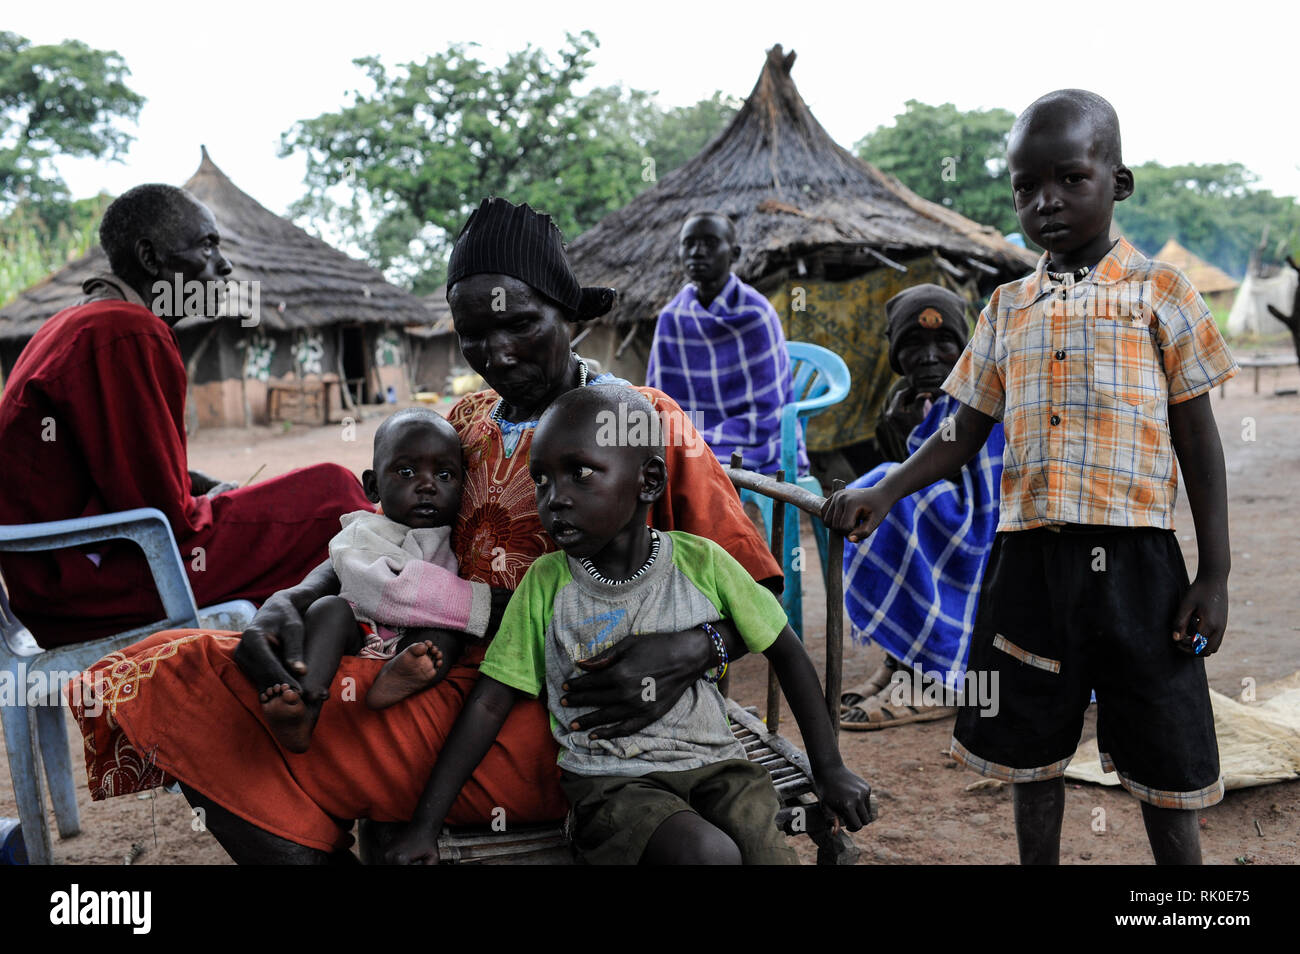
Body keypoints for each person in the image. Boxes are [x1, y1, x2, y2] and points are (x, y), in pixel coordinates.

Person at [68, 197, 782, 863]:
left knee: (191, 692)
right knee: (194, 671)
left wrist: (696, 645)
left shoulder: (639, 419)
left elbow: (751, 589)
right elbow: (382, 532)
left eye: (520, 324)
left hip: (566, 716)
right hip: (430, 676)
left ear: (568, 312)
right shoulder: (464, 424)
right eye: (474, 335)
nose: (497, 353)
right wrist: (298, 592)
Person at [823, 90, 1237, 865]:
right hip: (1030, 564)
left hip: (1139, 567)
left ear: (1118, 182)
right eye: (1025, 186)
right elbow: (963, 427)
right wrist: (886, 488)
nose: (1045, 200)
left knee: (1161, 739)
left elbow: (1199, 440)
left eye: (1069, 178)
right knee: (1028, 737)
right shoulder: (1007, 308)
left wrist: (1213, 570)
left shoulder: (1162, 294)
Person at [383, 385, 872, 865]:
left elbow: (785, 650)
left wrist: (829, 770)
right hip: (611, 780)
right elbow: (490, 701)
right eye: (542, 480)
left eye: (580, 473)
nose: (554, 498)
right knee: (708, 853)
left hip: (720, 767)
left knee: (766, 854)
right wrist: (425, 825)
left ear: (649, 481)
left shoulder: (702, 563)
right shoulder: (547, 583)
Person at [0, 184, 371, 646]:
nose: (224, 263)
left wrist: (214, 488)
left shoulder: (74, 324)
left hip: (52, 580)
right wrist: (215, 501)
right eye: (206, 245)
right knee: (332, 497)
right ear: (152, 259)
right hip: (91, 586)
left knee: (295, 502)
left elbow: (131, 476)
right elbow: (160, 510)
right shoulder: (127, 331)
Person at [257, 408, 489, 752]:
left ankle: (398, 676)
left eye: (444, 475)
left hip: (411, 645)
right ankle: (305, 706)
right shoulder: (360, 531)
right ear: (373, 486)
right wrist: (476, 603)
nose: (427, 485)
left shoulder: (455, 537)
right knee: (328, 609)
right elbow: (382, 588)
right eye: (407, 472)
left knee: (446, 637)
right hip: (358, 631)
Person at [838, 284, 1006, 729]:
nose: (930, 356)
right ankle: (904, 656)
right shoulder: (905, 405)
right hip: (949, 512)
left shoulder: (980, 390)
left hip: (986, 521)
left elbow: (980, 482)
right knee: (883, 498)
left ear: (964, 346)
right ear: (896, 355)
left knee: (886, 493)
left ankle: (935, 678)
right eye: (913, 345)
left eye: (944, 342)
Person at [646, 211, 807, 476]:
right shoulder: (672, 317)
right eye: (689, 243)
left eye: (710, 243)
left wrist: (702, 439)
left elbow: (766, 412)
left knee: (693, 467)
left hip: (752, 438)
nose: (697, 252)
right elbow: (662, 401)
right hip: (686, 433)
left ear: (734, 253)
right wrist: (686, 436)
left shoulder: (756, 315)